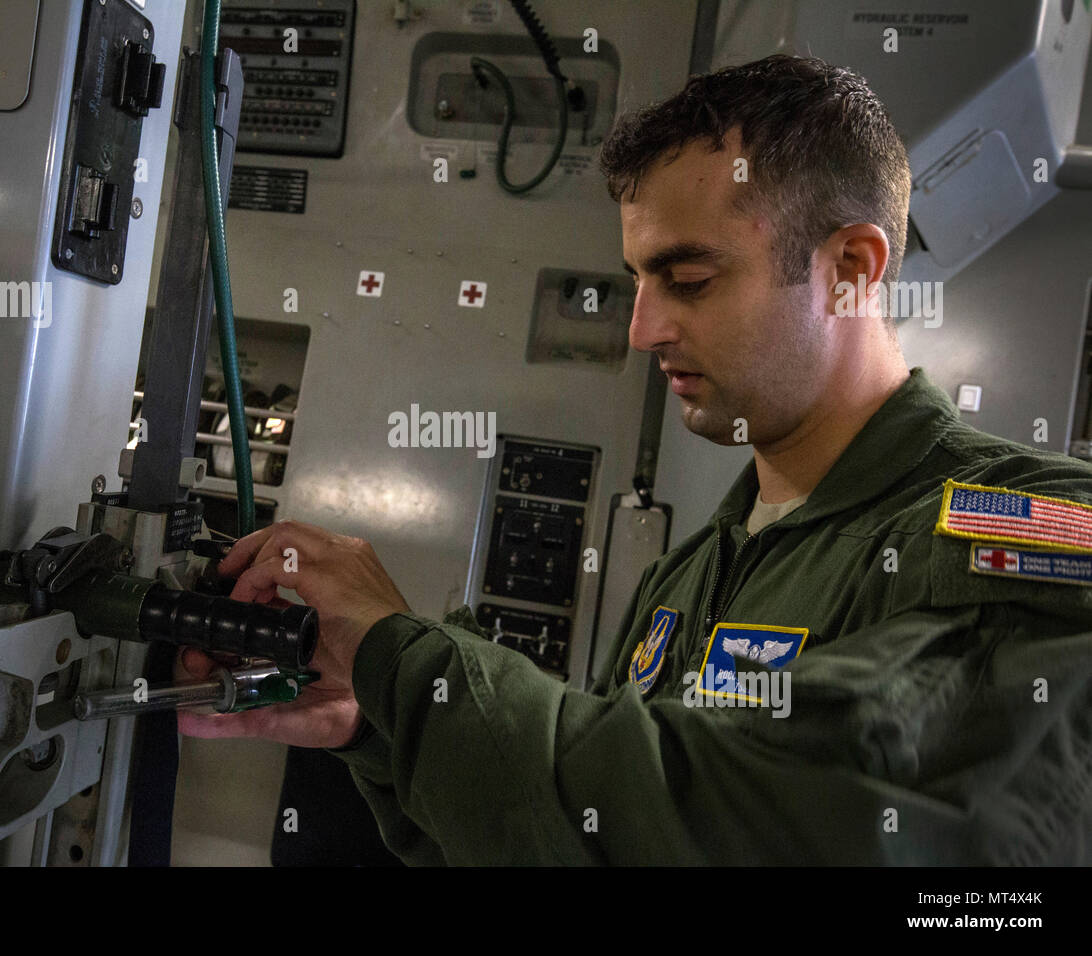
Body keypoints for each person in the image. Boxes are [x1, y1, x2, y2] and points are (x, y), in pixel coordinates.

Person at [177, 54, 1092, 864]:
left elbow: (799, 818)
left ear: (852, 267)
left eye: (690, 280)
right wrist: (379, 721)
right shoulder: (687, 580)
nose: (644, 330)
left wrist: (411, 671)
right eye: (638, 282)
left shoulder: (1031, 536)